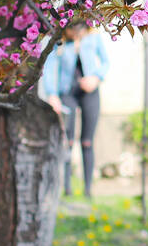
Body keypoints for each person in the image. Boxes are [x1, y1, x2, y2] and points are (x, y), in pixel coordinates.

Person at [43, 20, 110, 198]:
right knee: (68, 141)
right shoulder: (60, 41)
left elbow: (105, 62)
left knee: (87, 141)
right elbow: (49, 68)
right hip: (68, 92)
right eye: (72, 30)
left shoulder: (93, 37)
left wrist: (96, 77)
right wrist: (52, 94)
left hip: (90, 91)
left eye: (78, 29)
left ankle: (88, 190)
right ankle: (67, 189)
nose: (76, 33)